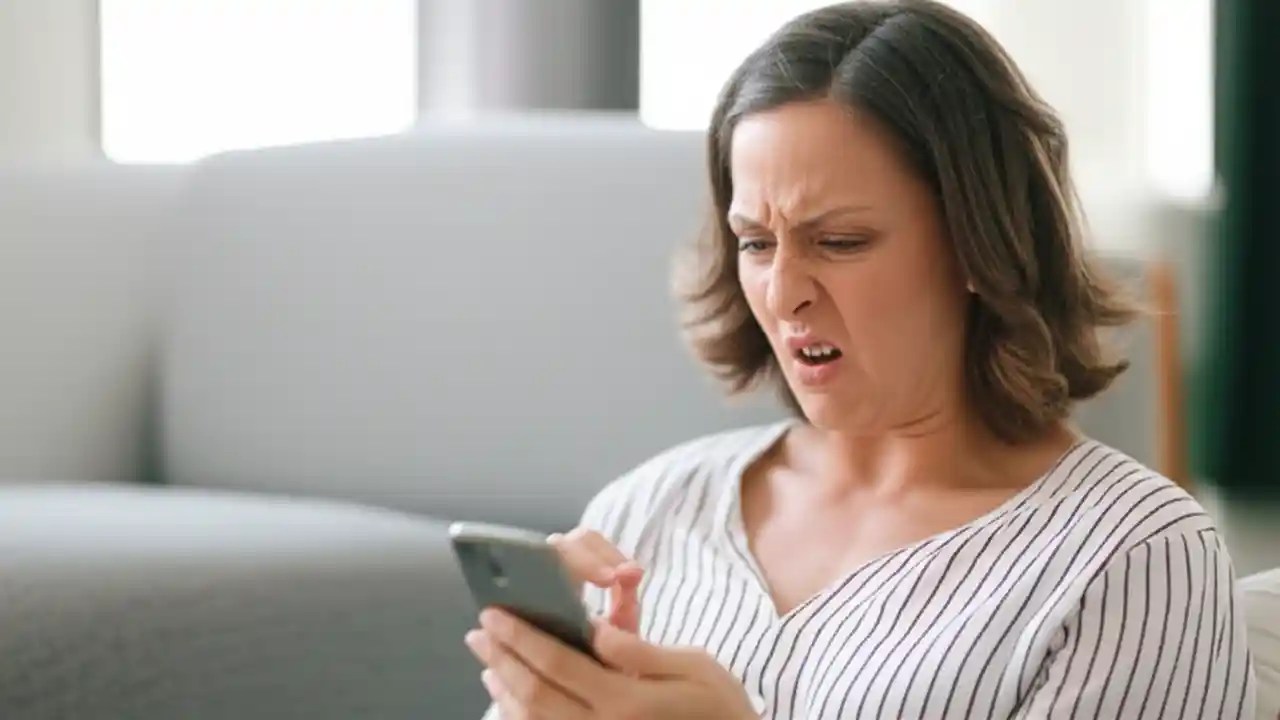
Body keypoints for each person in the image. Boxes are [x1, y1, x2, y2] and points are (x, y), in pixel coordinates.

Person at [465, 1, 1257, 717]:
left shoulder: (1133, 561)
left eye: (839, 242)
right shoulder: (646, 515)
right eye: (756, 242)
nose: (781, 294)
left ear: (980, 244)